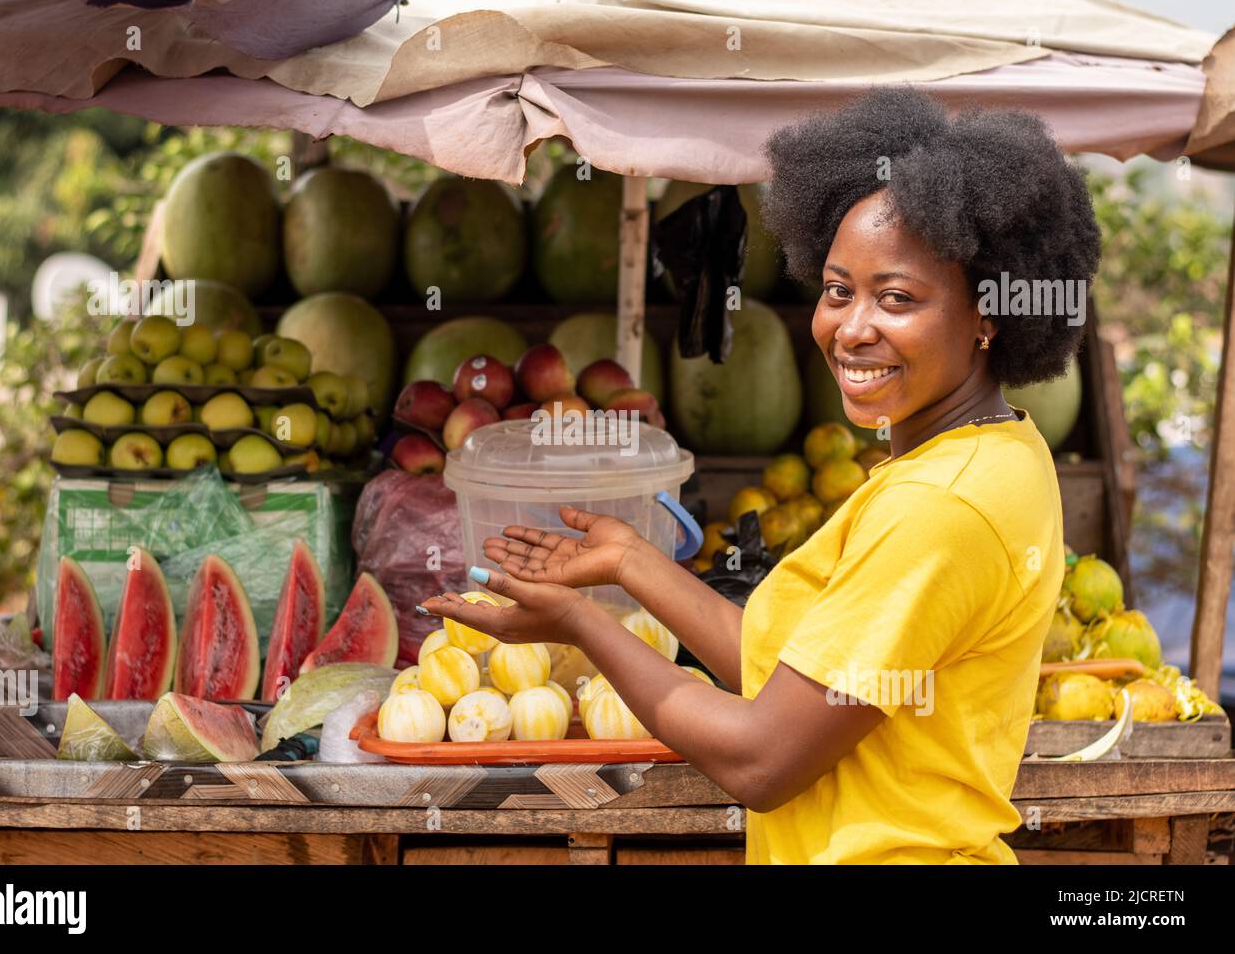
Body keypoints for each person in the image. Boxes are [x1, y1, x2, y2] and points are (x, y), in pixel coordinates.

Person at [420, 87, 1101, 864]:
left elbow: (761, 759)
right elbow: (790, 675)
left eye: (898, 298)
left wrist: (584, 624)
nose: (851, 327)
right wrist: (632, 562)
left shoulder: (938, 506)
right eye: (839, 289)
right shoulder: (998, 453)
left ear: (989, 315)